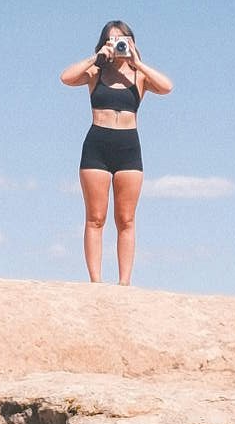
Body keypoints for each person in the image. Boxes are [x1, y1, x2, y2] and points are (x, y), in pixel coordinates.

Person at [61, 17, 173, 283]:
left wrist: (137, 61)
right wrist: (96, 57)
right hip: (97, 144)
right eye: (112, 40)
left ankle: (124, 282)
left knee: (126, 219)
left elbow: (167, 87)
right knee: (95, 218)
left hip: (128, 146)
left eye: (121, 40)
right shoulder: (95, 73)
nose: (117, 45)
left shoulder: (139, 76)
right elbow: (65, 78)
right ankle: (96, 281)